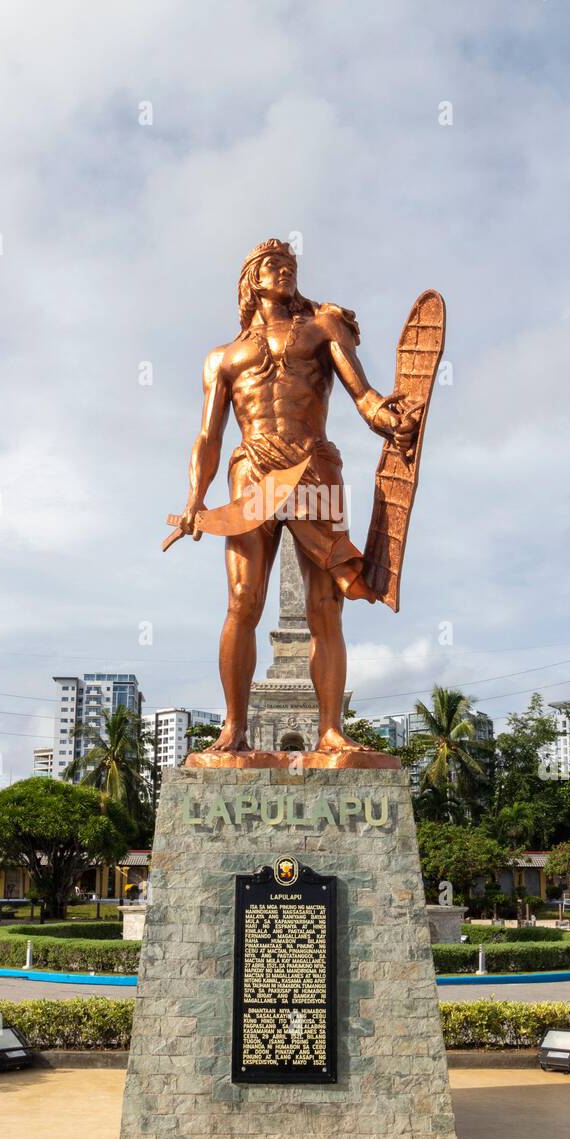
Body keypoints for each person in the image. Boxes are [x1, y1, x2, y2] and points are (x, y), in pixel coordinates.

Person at [177, 238, 421, 755]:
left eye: (289, 264)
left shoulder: (322, 329)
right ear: (251, 281)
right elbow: (209, 436)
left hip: (315, 466)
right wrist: (195, 498)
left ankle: (330, 731)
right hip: (251, 472)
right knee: (243, 601)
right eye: (270, 265)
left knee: (326, 603)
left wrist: (388, 422)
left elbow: (364, 395)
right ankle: (234, 729)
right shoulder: (222, 357)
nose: (282, 271)